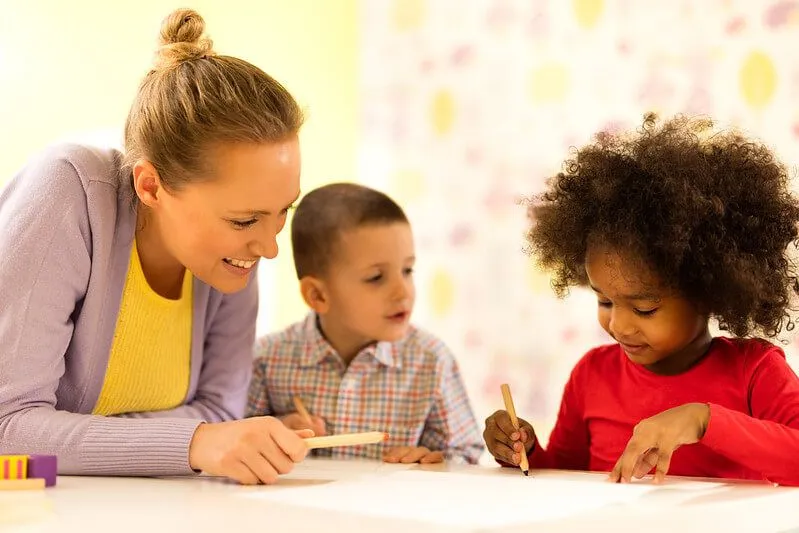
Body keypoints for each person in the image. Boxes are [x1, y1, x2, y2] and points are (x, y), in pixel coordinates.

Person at [0, 8, 311, 485]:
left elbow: (219, 410)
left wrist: (207, 437)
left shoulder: (233, 255)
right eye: (244, 219)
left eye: (282, 211)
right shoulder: (70, 192)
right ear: (150, 186)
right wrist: (194, 442)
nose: (269, 247)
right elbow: (8, 426)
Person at [484, 114, 799, 485]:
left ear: (708, 292)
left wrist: (703, 420)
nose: (618, 325)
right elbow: (564, 475)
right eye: (604, 302)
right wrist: (524, 452)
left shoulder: (754, 372)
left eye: (644, 308)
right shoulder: (592, 376)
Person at [247, 183, 484, 464]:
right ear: (318, 295)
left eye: (407, 270)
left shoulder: (431, 361)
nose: (403, 291)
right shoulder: (267, 360)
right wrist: (276, 432)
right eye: (376, 277)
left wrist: (433, 463)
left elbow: (466, 455)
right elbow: (239, 446)